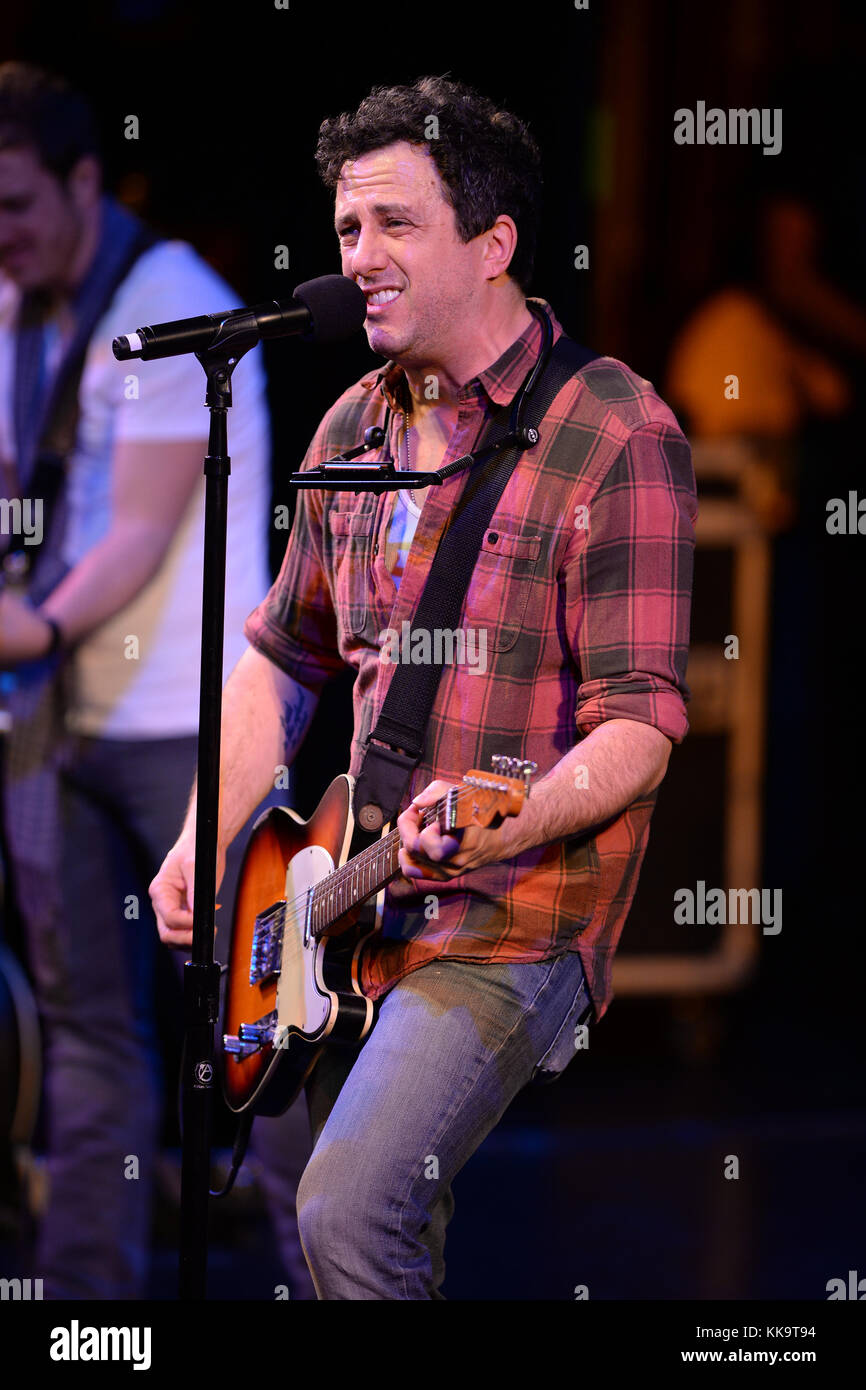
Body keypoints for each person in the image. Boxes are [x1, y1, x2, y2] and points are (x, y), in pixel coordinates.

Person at [152, 74, 698, 1301]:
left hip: (509, 917)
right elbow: (281, 656)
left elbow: (641, 723)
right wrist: (208, 830)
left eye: (394, 224)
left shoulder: (615, 433)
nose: (359, 258)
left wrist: (511, 810)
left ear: (494, 242)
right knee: (350, 1244)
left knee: (351, 1210)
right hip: (346, 899)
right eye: (348, 230)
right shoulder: (348, 422)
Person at [0, 63, 314, 1300]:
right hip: (57, 724)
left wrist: (25, 631)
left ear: (85, 181)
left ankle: (327, 1281)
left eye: (17, 205)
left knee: (258, 1040)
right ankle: (92, 1318)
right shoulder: (16, 301)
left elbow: (131, 538)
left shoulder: (176, 303)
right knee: (83, 1046)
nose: (2, 234)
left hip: (189, 722)